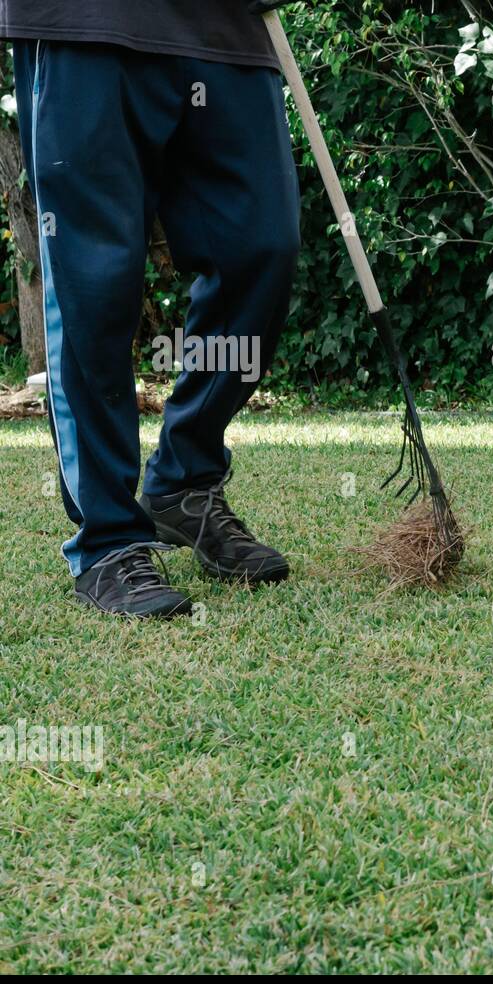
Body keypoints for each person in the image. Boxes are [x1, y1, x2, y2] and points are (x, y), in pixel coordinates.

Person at [0, 0, 300, 617]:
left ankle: (183, 480)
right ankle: (109, 539)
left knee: (260, 246)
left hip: (223, 25)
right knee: (94, 282)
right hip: (84, 21)